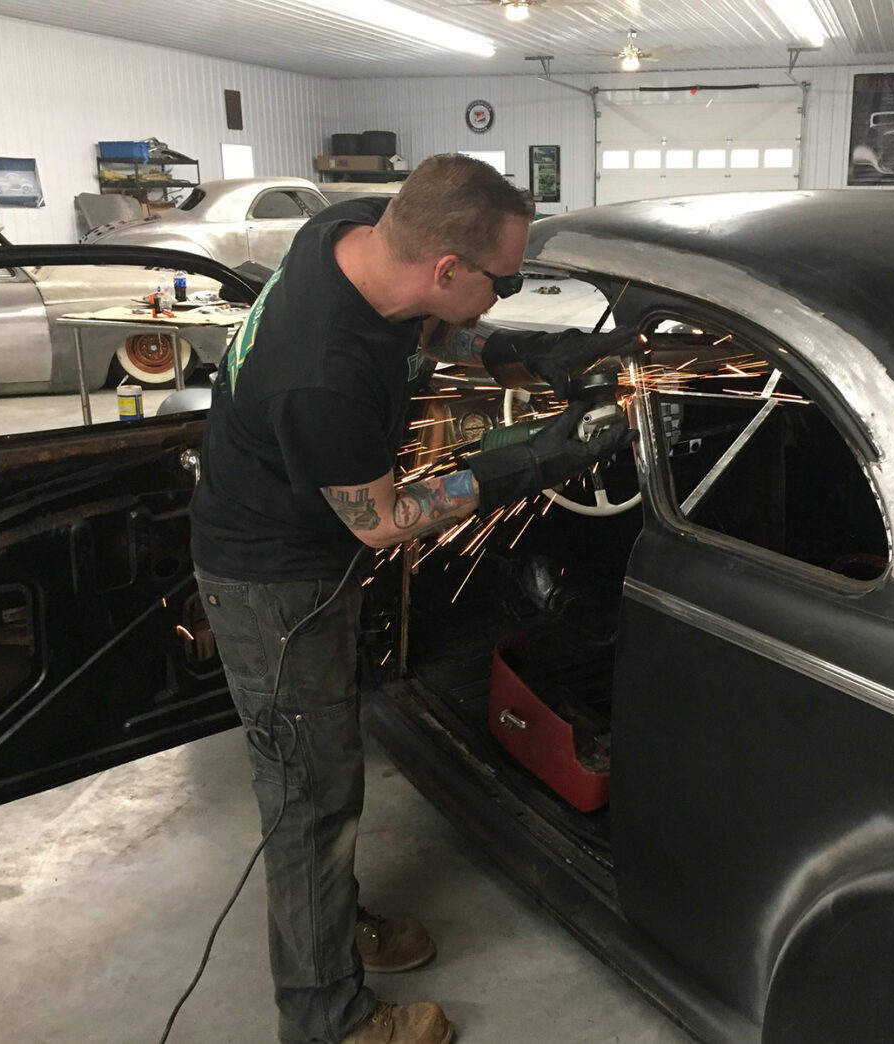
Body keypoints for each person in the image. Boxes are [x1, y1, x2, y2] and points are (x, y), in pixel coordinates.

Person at [189, 153, 636, 1044]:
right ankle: (329, 1019)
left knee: (319, 777)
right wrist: (533, 460)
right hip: (274, 586)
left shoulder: (350, 231)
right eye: (503, 285)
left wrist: (521, 352)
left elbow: (421, 332)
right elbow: (386, 520)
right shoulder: (320, 374)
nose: (506, 296)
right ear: (447, 267)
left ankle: (326, 923)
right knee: (309, 796)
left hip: (290, 543)